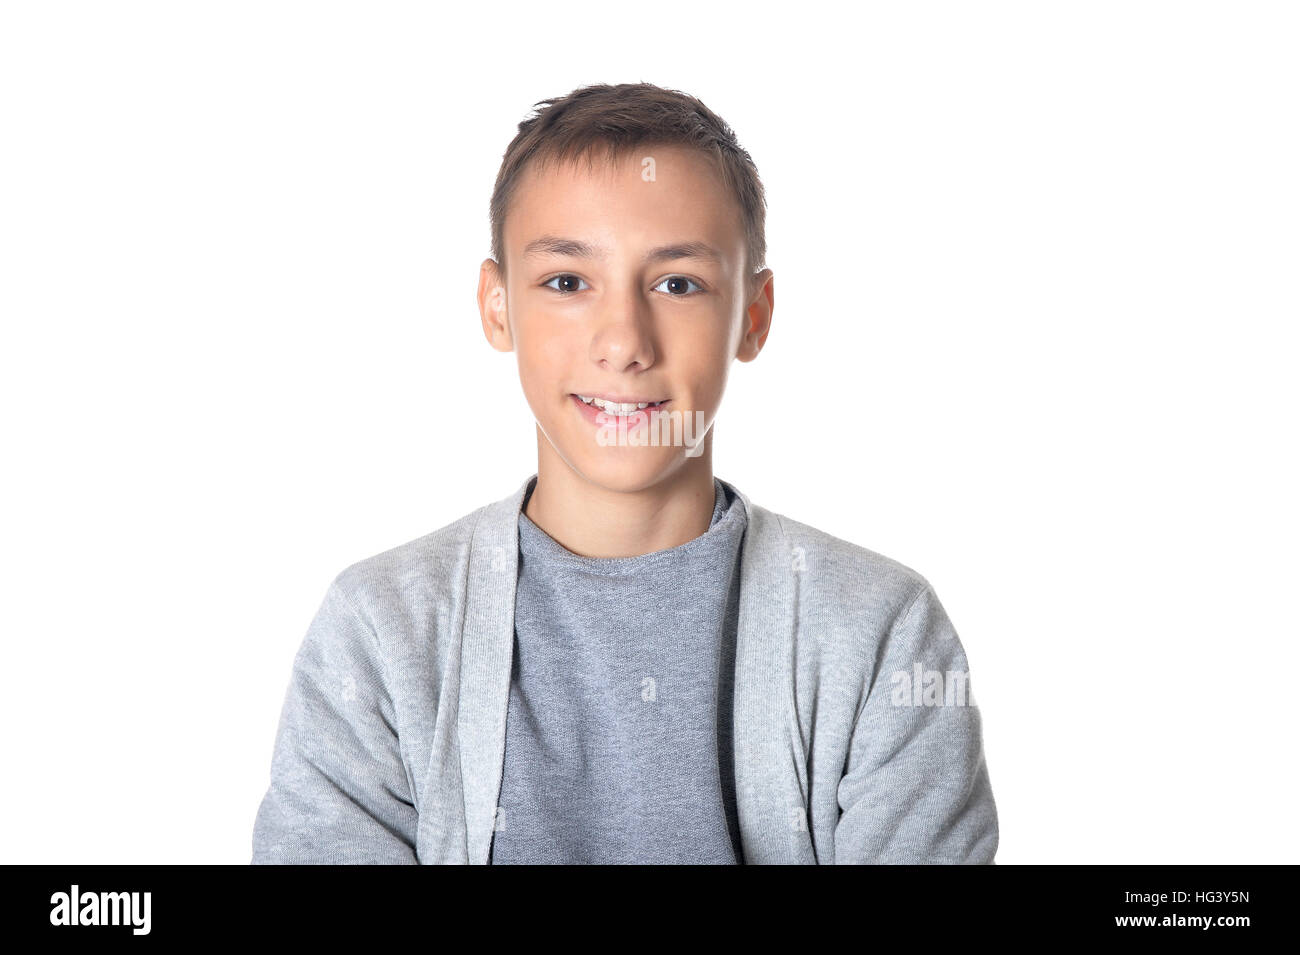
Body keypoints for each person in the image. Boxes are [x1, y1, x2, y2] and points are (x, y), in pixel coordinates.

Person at [251, 82, 999, 864]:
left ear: (754, 313)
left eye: (678, 283)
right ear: (497, 305)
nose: (623, 341)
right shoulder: (379, 631)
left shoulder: (881, 631)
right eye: (567, 282)